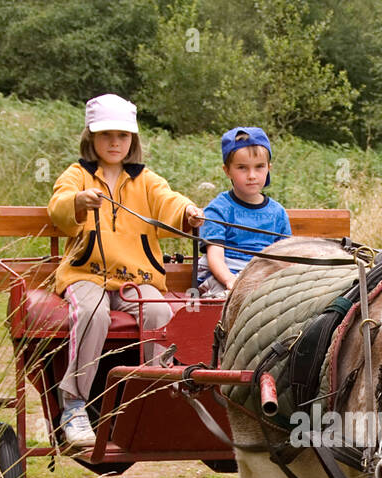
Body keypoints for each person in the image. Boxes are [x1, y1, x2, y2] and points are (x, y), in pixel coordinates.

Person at [48, 93, 203, 446]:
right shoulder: (78, 175)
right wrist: (77, 201)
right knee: (91, 313)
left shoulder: (146, 179)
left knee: (159, 311)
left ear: (133, 139)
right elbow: (57, 206)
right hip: (86, 275)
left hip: (136, 278)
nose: (115, 142)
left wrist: (188, 211)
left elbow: (169, 200)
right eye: (106, 135)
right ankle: (74, 405)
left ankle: (155, 402)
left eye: (122, 135)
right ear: (91, 137)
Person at [195, 127, 291, 296]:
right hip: (225, 274)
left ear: (269, 167)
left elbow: (284, 257)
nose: (252, 175)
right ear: (227, 171)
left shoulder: (278, 213)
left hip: (263, 277)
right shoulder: (219, 209)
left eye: (259, 167)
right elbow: (215, 256)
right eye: (242, 168)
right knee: (228, 301)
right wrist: (229, 280)